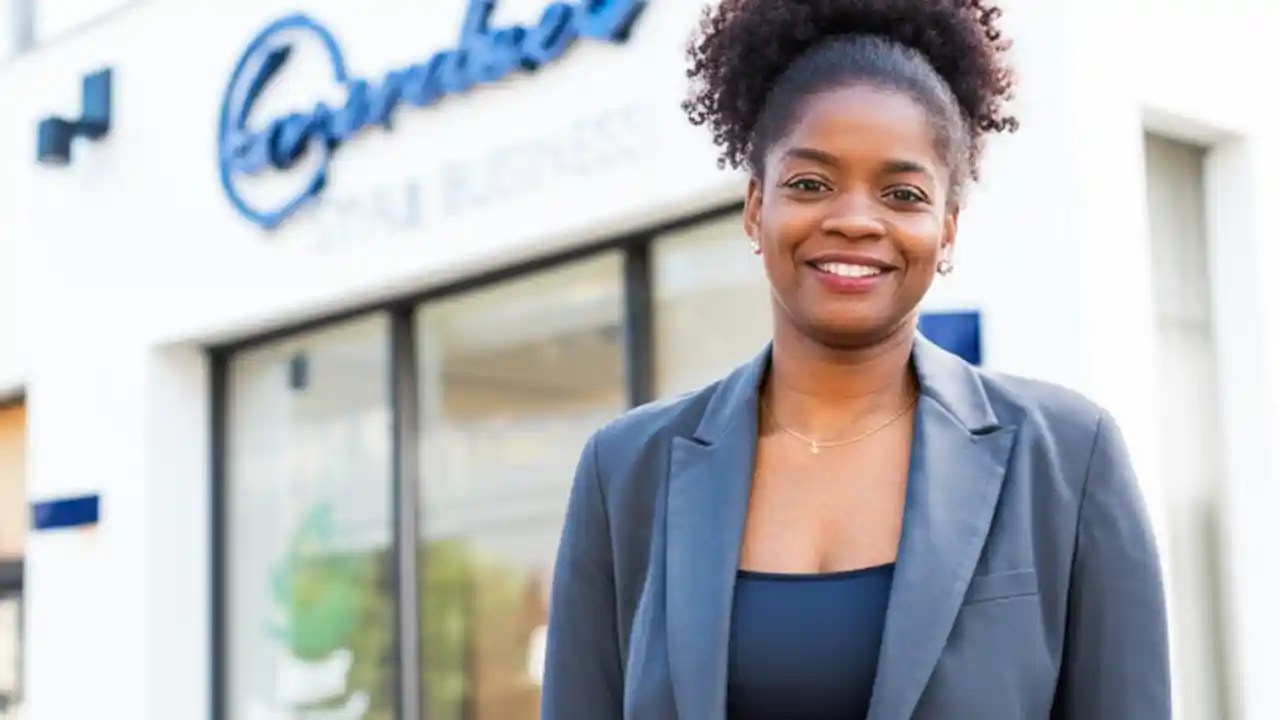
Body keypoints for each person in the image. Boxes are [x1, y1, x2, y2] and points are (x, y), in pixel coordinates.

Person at [540, 0, 1171, 717]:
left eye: (902, 194)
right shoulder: (627, 471)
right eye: (811, 184)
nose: (854, 219)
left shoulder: (1067, 459)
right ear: (755, 208)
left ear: (947, 229)